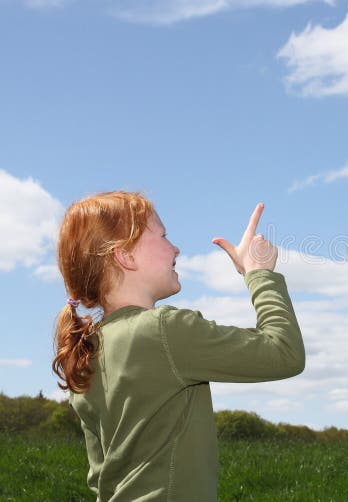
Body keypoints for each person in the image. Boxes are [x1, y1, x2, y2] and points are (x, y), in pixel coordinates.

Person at [51, 191, 305, 501]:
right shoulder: (164, 331)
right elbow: (285, 352)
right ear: (125, 256)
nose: (176, 248)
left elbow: (100, 479)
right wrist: (259, 273)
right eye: (163, 235)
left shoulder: (86, 350)